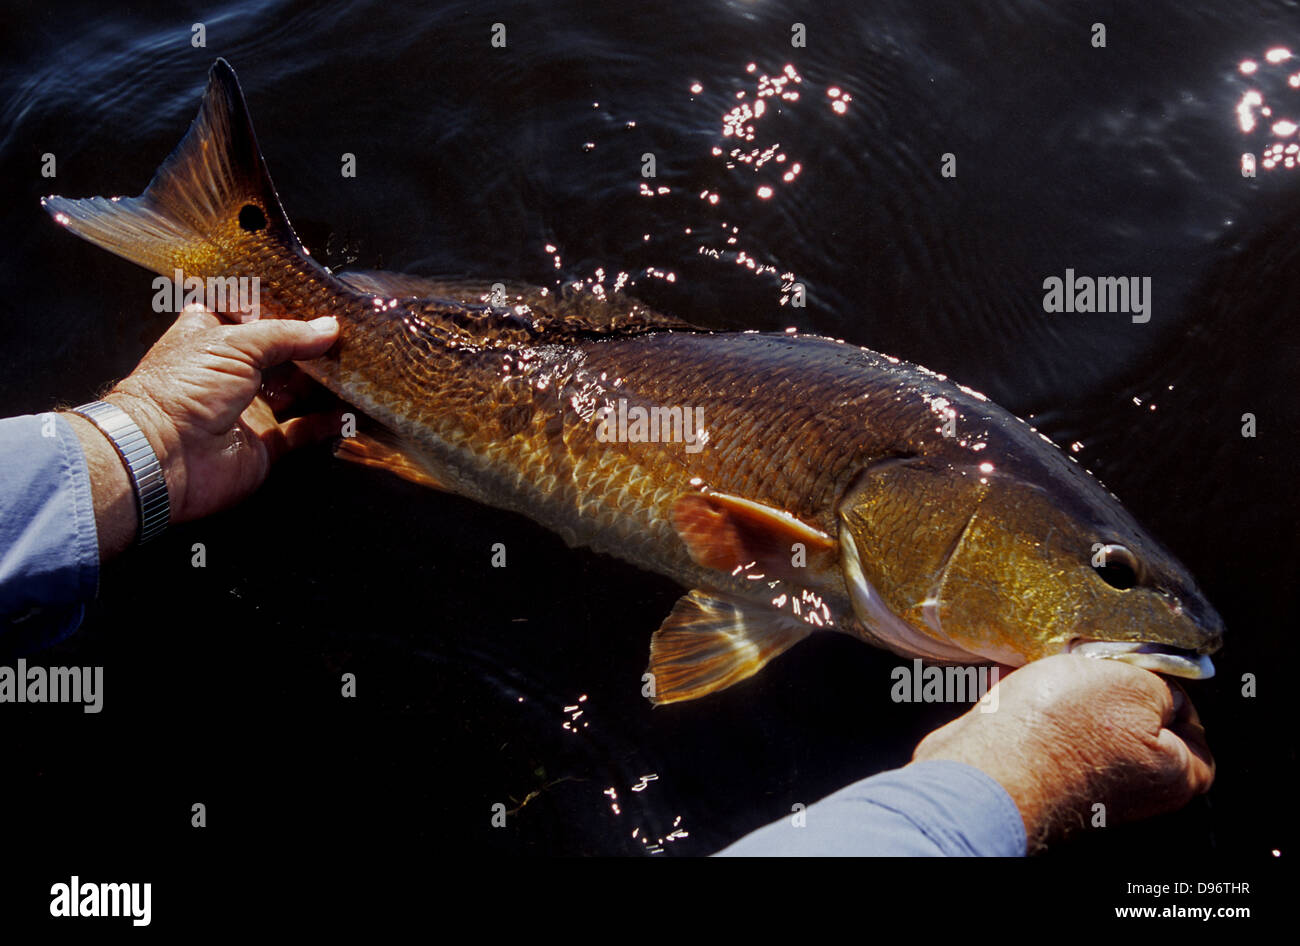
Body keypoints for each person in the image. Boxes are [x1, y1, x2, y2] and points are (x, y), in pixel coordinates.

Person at [0, 305, 1214, 855]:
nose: (1133, 608)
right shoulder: (828, 541)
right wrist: (1025, 771)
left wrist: (135, 444)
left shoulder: (850, 544)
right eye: (1110, 572)